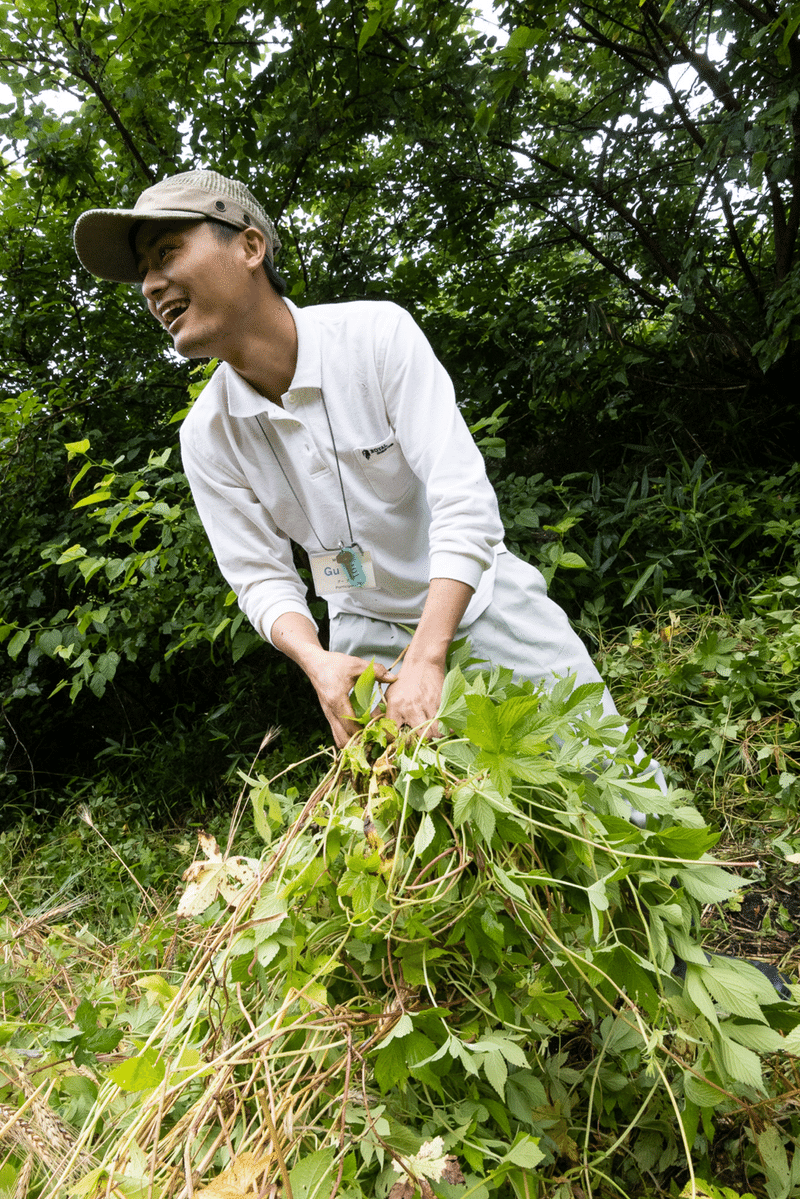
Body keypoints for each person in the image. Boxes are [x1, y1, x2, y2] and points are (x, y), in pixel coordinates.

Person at [72, 169, 665, 787]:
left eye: (166, 253)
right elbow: (259, 576)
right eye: (143, 270)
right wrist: (318, 662)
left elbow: (463, 495)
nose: (150, 285)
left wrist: (430, 656)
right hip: (363, 638)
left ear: (249, 247)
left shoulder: (375, 337)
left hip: (480, 597)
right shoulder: (206, 436)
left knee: (614, 784)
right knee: (430, 832)